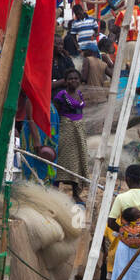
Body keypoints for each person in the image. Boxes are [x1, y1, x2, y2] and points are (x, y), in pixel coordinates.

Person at [52, 69, 89, 203]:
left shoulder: (79, 93)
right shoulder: (61, 95)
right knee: (62, 159)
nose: (74, 81)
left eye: (76, 78)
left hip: (78, 132)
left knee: (78, 160)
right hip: (66, 131)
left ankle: (75, 193)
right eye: (71, 78)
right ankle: (55, 190)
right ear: (66, 81)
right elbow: (54, 113)